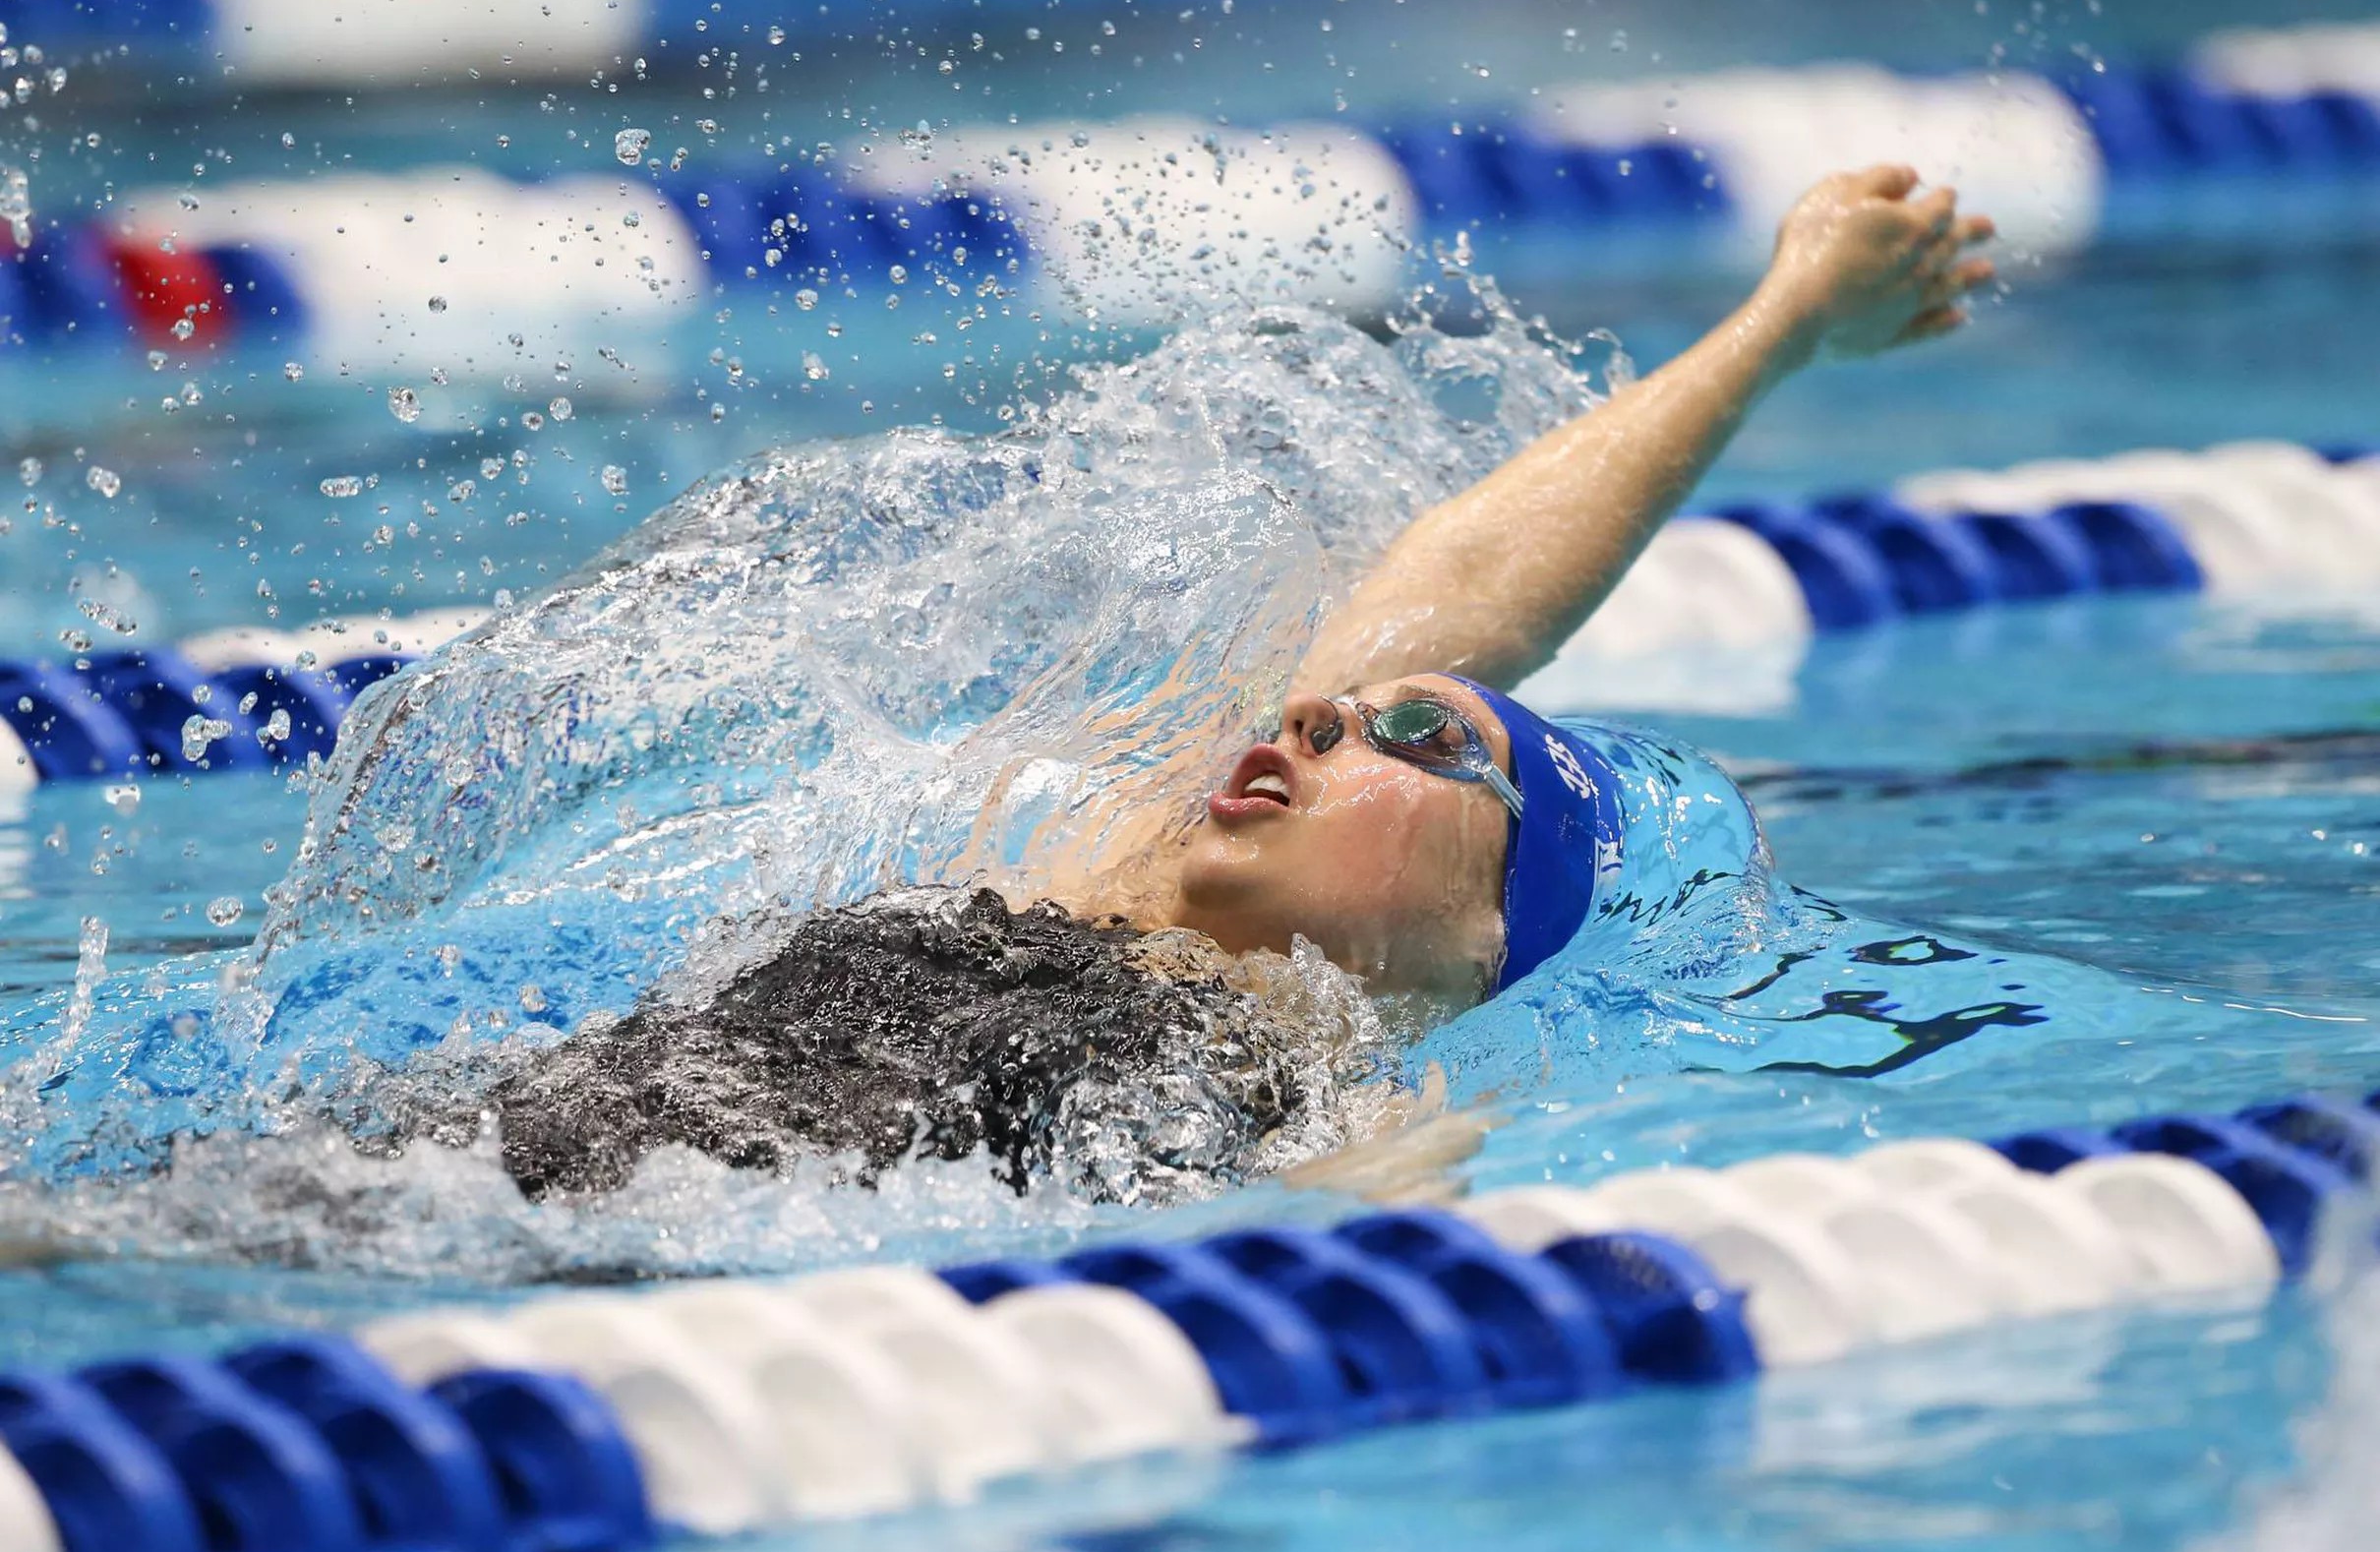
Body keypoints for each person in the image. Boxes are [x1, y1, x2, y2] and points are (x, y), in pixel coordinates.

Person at [455, 164, 1994, 1206]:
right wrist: (1779, 326)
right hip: (468, 1142)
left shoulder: (1352, 1108)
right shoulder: (1106, 881)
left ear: (1485, 940)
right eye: (1356, 701)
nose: (1319, 712)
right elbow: (1460, 589)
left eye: (1419, 735)